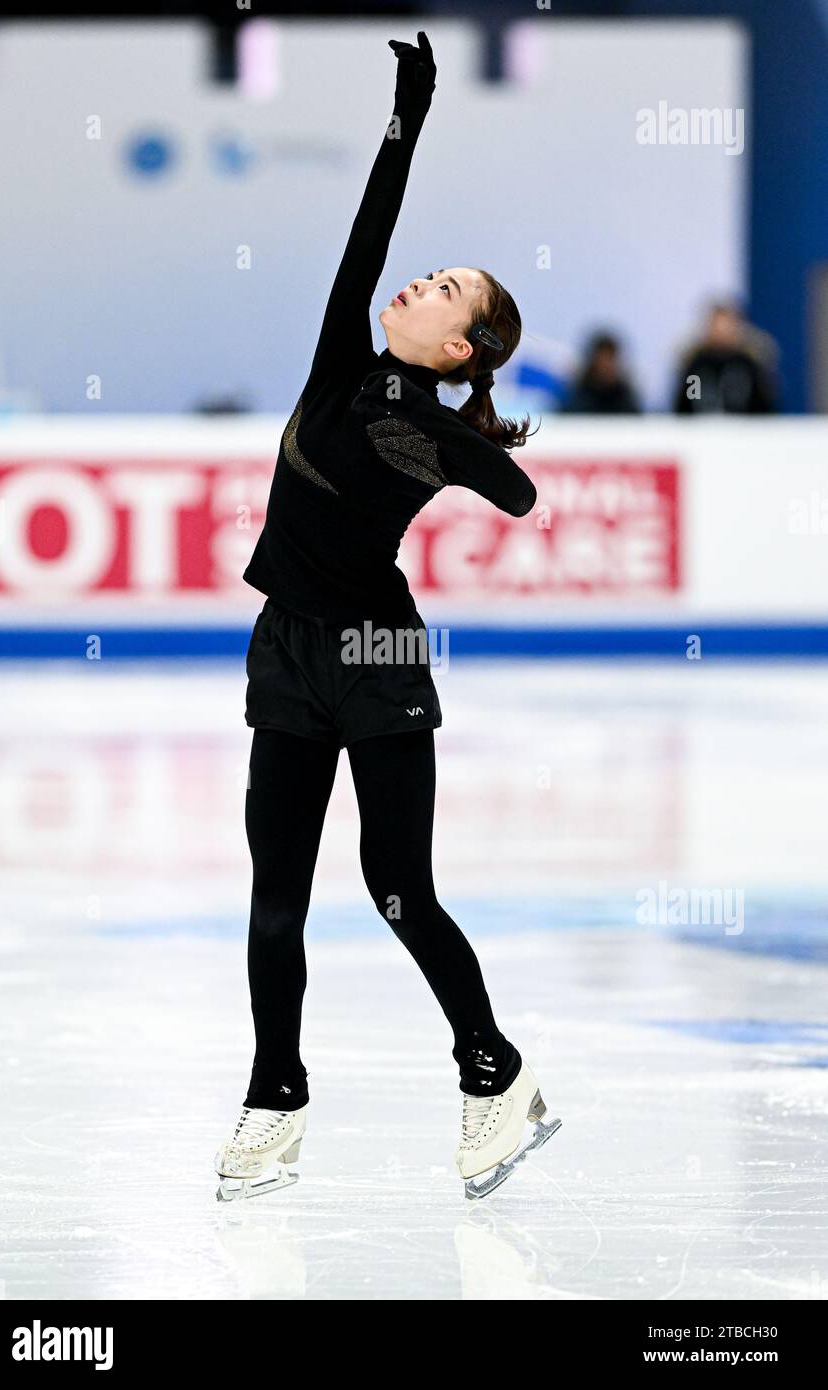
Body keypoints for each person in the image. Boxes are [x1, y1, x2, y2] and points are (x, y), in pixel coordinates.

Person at [215, 31, 561, 1201]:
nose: (418, 280)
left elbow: (514, 491)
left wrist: (447, 445)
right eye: (431, 272)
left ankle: (492, 1070)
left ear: (462, 345)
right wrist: (405, 116)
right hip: (289, 650)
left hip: (375, 653)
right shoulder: (337, 360)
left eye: (446, 290)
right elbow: (368, 231)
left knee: (395, 885)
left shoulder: (433, 414)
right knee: (274, 896)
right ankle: (274, 1100)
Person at [673, 300, 778, 413]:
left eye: (726, 325)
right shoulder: (697, 367)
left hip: (743, 428)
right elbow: (685, 407)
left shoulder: (749, 366)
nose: (721, 331)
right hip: (703, 428)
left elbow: (764, 409)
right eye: (716, 325)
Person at [559, 330, 641, 414]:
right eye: (602, 360)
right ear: (592, 362)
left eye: (609, 359)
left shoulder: (626, 398)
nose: (606, 366)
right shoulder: (575, 397)